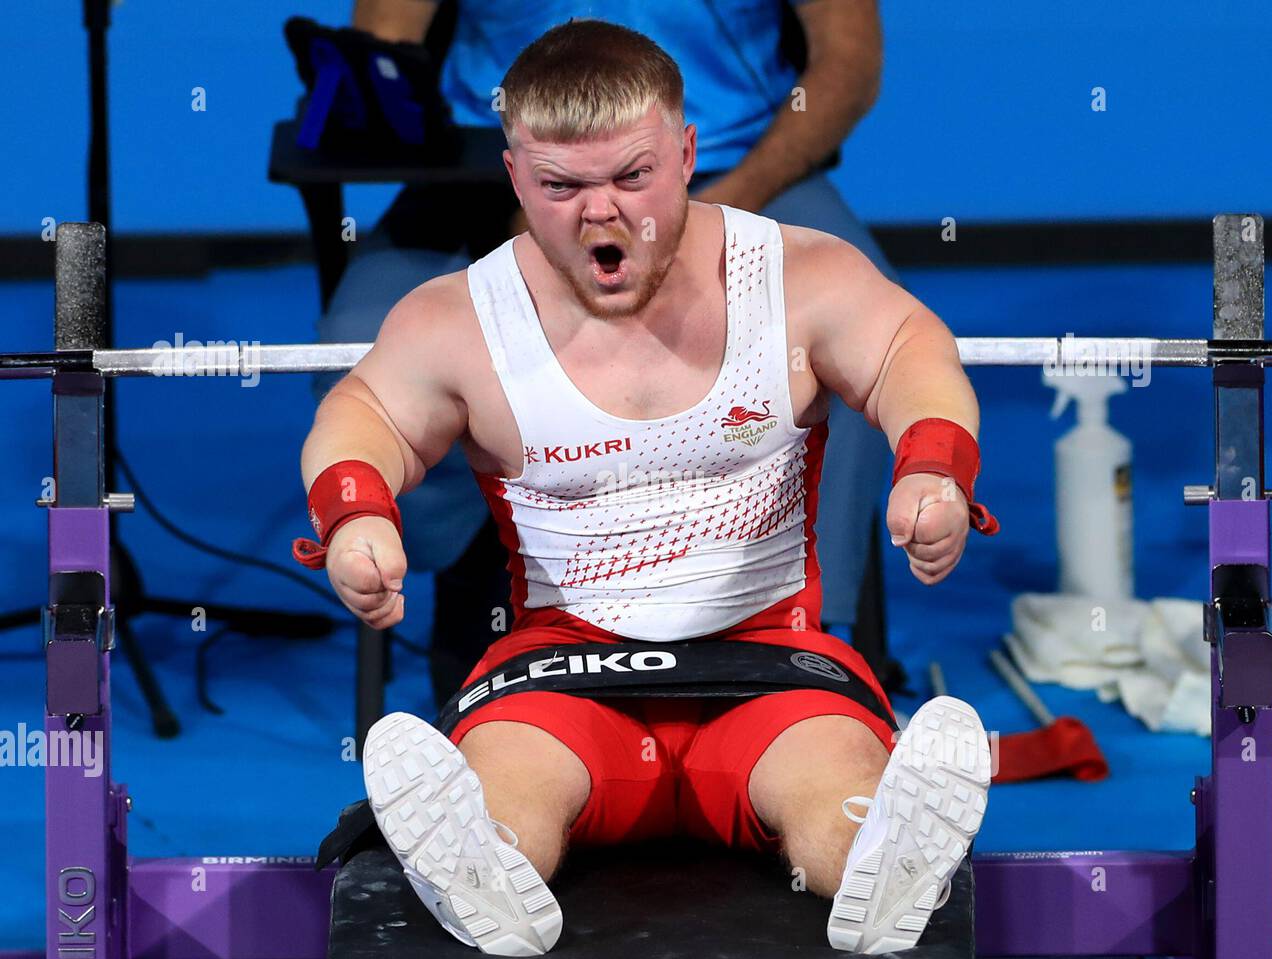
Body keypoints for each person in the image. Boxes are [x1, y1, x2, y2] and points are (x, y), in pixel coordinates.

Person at [297, 21, 996, 958]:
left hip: (768, 667)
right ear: (514, 177)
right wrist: (355, 516)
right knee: (506, 794)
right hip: (562, 676)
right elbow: (365, 414)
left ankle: (886, 859)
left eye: (633, 178)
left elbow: (912, 351)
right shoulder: (459, 319)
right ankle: (480, 867)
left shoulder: (796, 276)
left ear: (687, 153)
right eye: (562, 188)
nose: (602, 216)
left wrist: (932, 466)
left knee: (838, 795)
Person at [312, 0, 901, 696]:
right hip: (495, 177)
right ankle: (478, 582)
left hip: (737, 166)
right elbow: (385, 50)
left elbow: (848, 65)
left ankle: (802, 652)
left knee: (857, 331)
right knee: (359, 344)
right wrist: (541, 205)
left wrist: (697, 211)